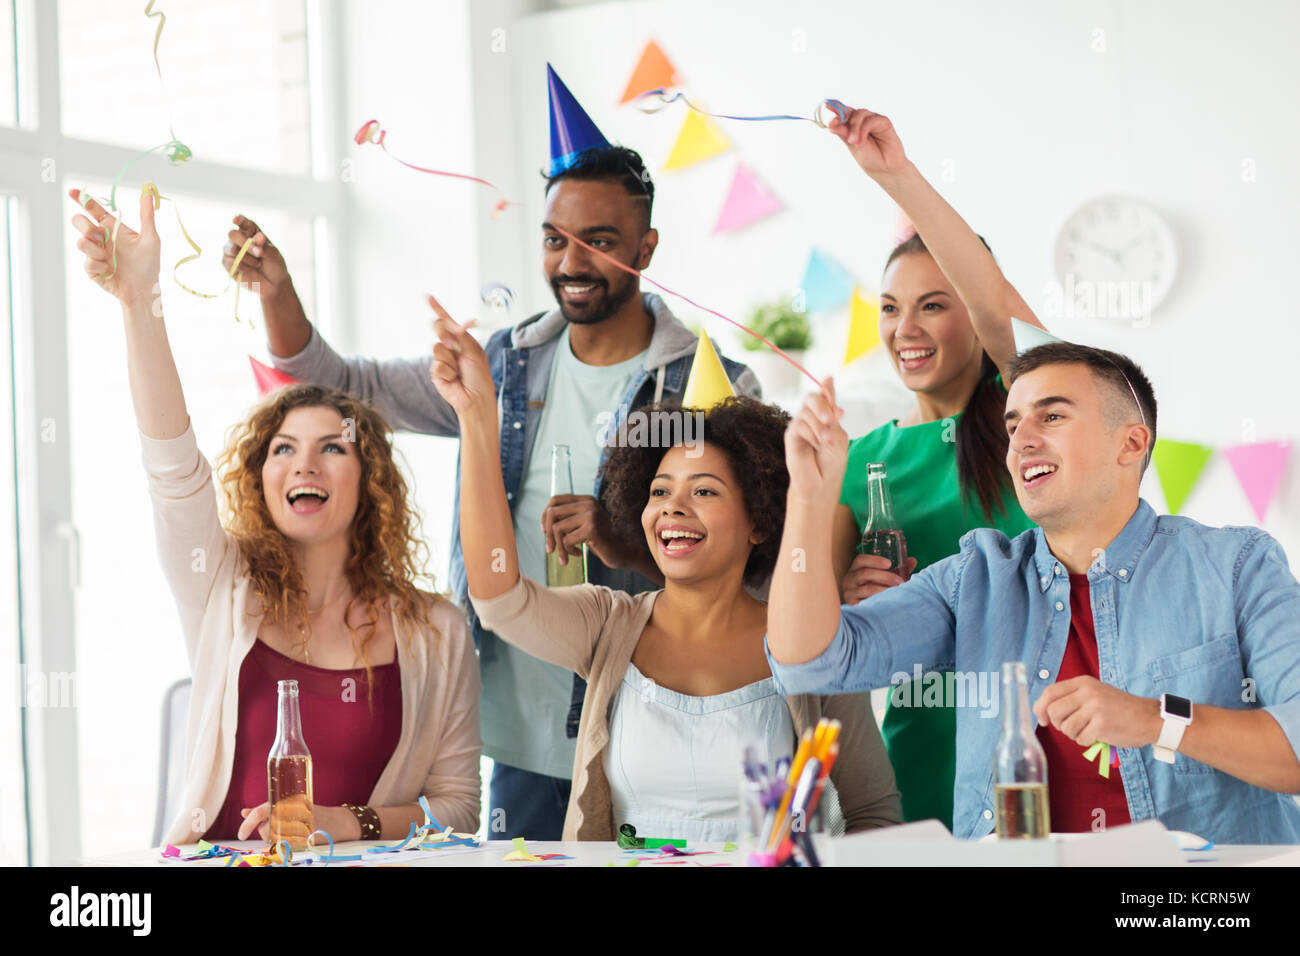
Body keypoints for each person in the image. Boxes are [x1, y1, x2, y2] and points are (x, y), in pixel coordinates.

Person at [222, 145, 760, 839]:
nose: (571, 264)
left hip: (651, 727)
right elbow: (346, 388)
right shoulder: (504, 364)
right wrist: (277, 294)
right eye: (554, 240)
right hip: (518, 733)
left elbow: (751, 561)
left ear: (645, 247)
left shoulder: (708, 385)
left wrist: (616, 536)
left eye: (600, 242)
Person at [70, 188, 481, 846]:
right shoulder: (220, 587)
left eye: (331, 448)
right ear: (260, 479)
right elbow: (172, 467)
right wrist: (139, 302)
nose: (303, 466)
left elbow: (458, 808)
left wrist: (344, 822)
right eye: (283, 450)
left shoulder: (437, 630)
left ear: (370, 479)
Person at [769, 342, 1300, 843]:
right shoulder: (974, 578)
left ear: (1131, 442)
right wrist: (809, 498)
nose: (1021, 439)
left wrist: (1157, 720)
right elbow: (811, 663)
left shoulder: (1237, 566)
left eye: (1051, 416)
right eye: (1014, 422)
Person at [425, 299, 900, 840]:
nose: (673, 507)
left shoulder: (813, 644)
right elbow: (497, 596)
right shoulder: (608, 625)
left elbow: (872, 814)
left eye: (704, 491)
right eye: (659, 491)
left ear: (760, 522)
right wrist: (477, 417)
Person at [824, 105, 1045, 831]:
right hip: (916, 750)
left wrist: (895, 177)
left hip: (1039, 737)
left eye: (932, 306)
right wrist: (851, 596)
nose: (904, 330)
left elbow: (990, 297)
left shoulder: (1028, 413)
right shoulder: (861, 460)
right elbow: (811, 636)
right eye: (890, 309)